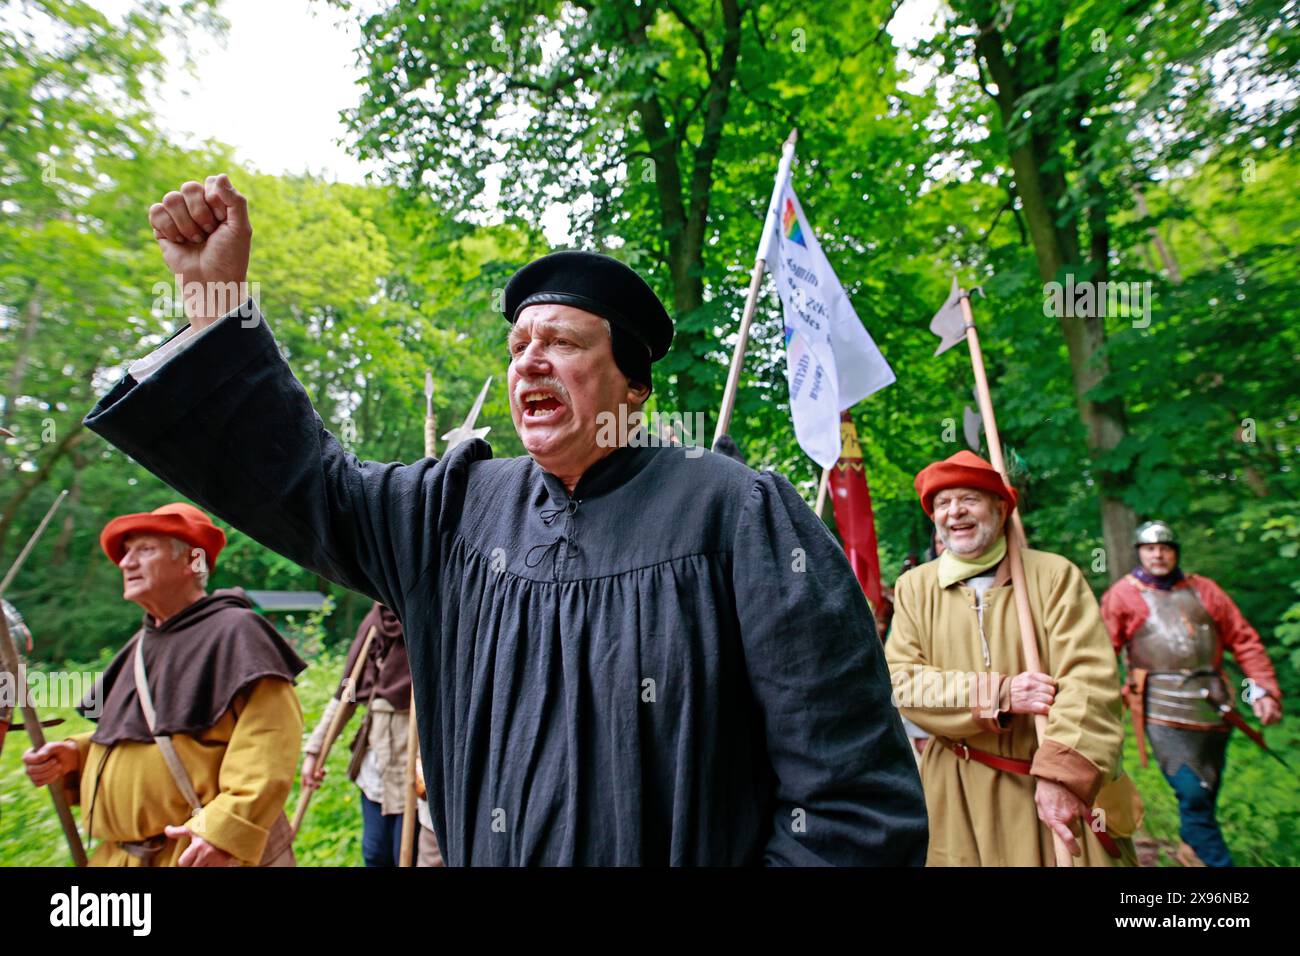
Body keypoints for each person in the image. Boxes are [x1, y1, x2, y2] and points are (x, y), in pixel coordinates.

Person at [81, 174, 927, 866]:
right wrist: (220, 311)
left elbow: (851, 803)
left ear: (634, 387)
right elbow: (307, 483)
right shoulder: (450, 510)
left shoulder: (736, 514)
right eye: (519, 344)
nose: (530, 359)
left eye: (562, 341)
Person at [886, 451, 1139, 866]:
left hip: (1048, 785)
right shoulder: (915, 587)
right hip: (957, 788)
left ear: (1001, 507)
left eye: (969, 498)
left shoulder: (1054, 575)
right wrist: (999, 693)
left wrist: (1062, 775)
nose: (955, 512)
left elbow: (1089, 683)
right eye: (943, 504)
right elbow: (901, 683)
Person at [22, 503, 305, 866]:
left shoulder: (237, 633)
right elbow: (140, 739)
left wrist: (225, 832)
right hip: (116, 858)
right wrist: (76, 757)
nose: (126, 563)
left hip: (193, 856)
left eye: (145, 550)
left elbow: (269, 744)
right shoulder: (140, 644)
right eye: (127, 553)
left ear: (191, 562)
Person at [1101, 520, 1283, 867]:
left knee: (1206, 789)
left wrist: (1262, 689)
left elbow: (1243, 639)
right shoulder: (1122, 595)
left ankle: (1192, 849)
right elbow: (1102, 652)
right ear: (1139, 553)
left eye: (1165, 548)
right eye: (1150, 548)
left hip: (1215, 704)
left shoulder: (1205, 590)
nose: (1158, 554)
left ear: (1175, 552)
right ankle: (1218, 864)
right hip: (1160, 707)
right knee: (1192, 792)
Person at [302, 602, 443, 866]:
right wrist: (315, 751)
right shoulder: (376, 621)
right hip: (376, 768)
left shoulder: (431, 615)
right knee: (375, 854)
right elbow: (347, 694)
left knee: (408, 855)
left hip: (416, 767)